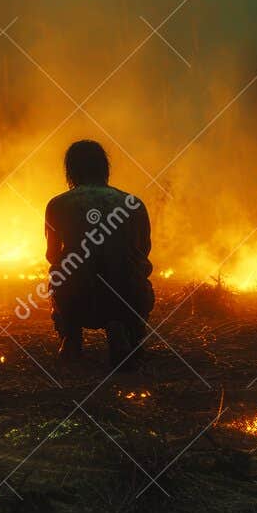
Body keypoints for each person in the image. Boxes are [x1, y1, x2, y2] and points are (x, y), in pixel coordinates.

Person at [43, 140, 154, 368]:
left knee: (60, 274)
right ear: (104, 168)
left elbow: (52, 255)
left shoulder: (57, 204)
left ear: (71, 170)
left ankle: (70, 336)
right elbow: (143, 251)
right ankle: (124, 330)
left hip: (77, 298)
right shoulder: (132, 203)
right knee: (135, 277)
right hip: (127, 296)